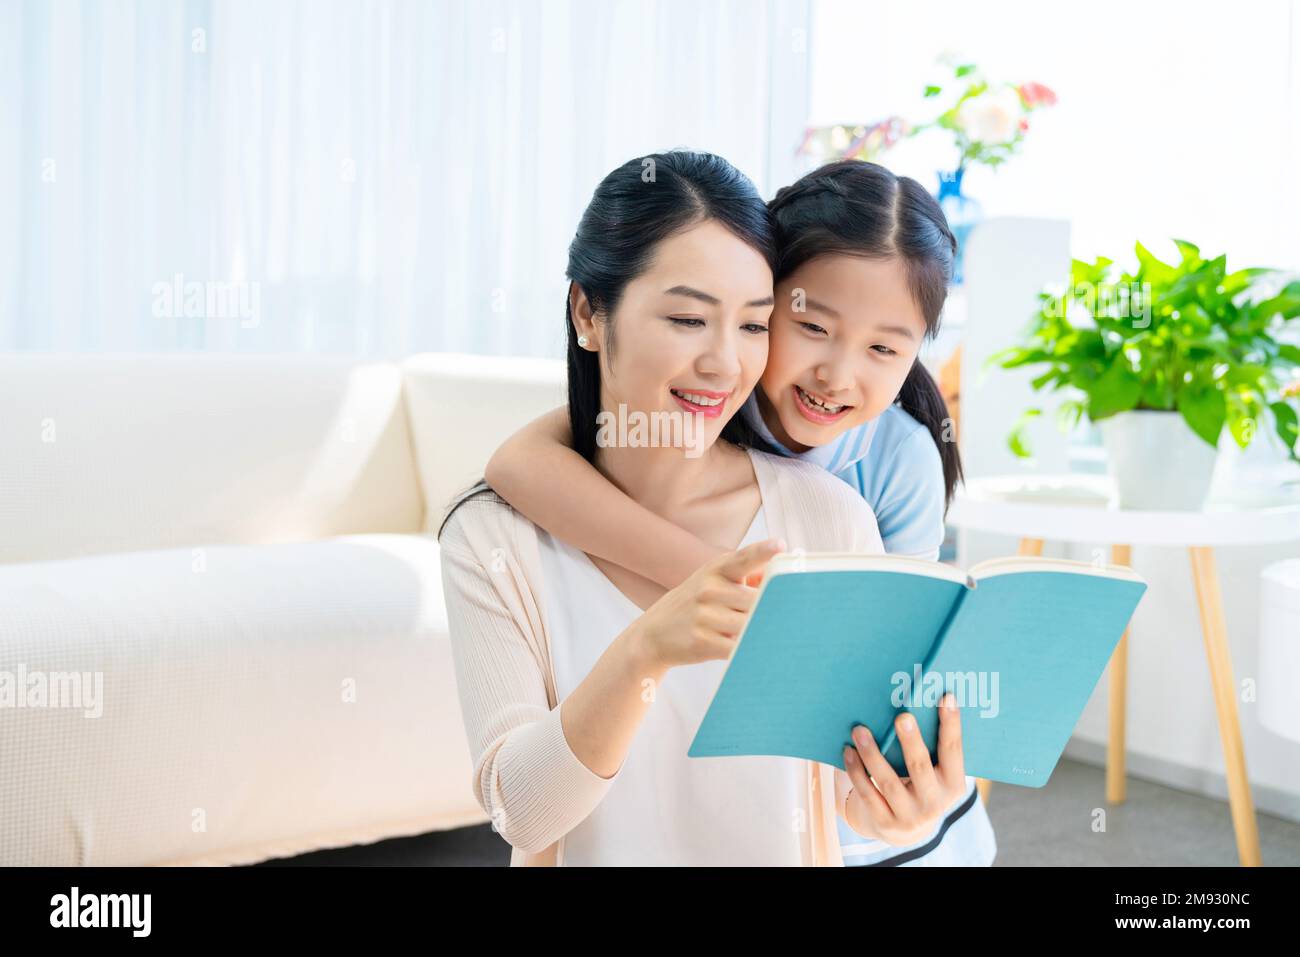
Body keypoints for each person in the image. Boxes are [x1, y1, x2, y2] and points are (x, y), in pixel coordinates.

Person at [438, 151, 969, 866]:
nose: (725, 362)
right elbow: (522, 813)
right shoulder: (493, 537)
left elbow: (842, 774)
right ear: (588, 313)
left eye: (752, 324)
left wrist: (898, 811)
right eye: (689, 317)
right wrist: (643, 651)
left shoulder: (841, 512)